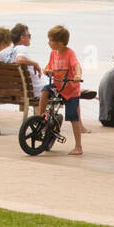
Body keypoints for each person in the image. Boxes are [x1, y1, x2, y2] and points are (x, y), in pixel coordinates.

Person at [41, 25, 86, 155]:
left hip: (70, 89)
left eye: (51, 40)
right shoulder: (53, 53)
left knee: (73, 117)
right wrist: (47, 70)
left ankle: (78, 146)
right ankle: (42, 117)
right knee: (44, 91)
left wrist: (78, 75)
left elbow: (77, 66)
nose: (48, 42)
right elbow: (49, 66)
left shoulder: (70, 53)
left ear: (60, 42)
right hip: (57, 86)